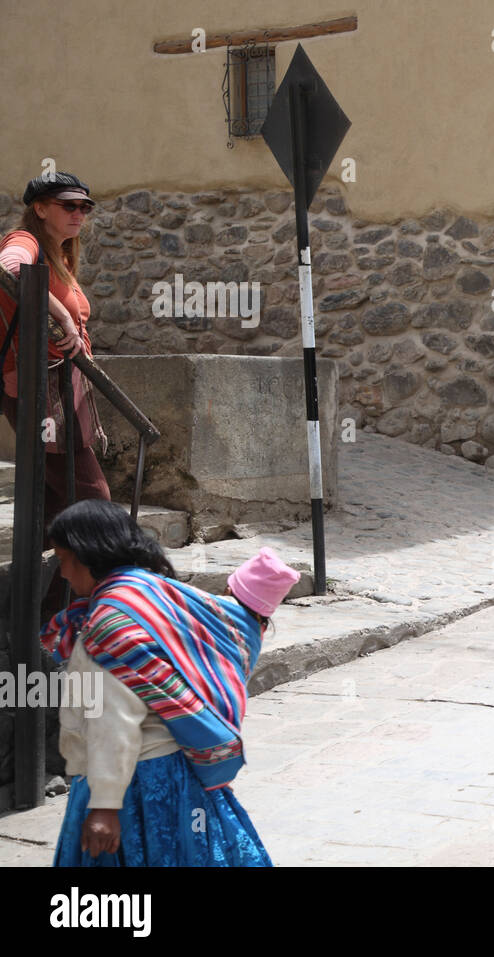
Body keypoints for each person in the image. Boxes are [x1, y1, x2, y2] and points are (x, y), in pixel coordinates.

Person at [40, 500, 299, 866]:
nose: (62, 573)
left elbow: (111, 722)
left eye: (63, 559)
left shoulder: (110, 623)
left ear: (85, 554)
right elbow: (239, 619)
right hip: (181, 774)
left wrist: (104, 807)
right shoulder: (156, 591)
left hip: (132, 785)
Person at [0, 172, 110, 516]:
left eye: (84, 207)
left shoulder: (59, 258)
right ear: (41, 209)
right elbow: (9, 267)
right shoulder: (24, 239)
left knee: (54, 502)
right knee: (93, 498)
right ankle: (104, 566)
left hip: (62, 388)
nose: (78, 213)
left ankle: (54, 569)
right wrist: (63, 315)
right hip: (38, 387)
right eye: (68, 206)